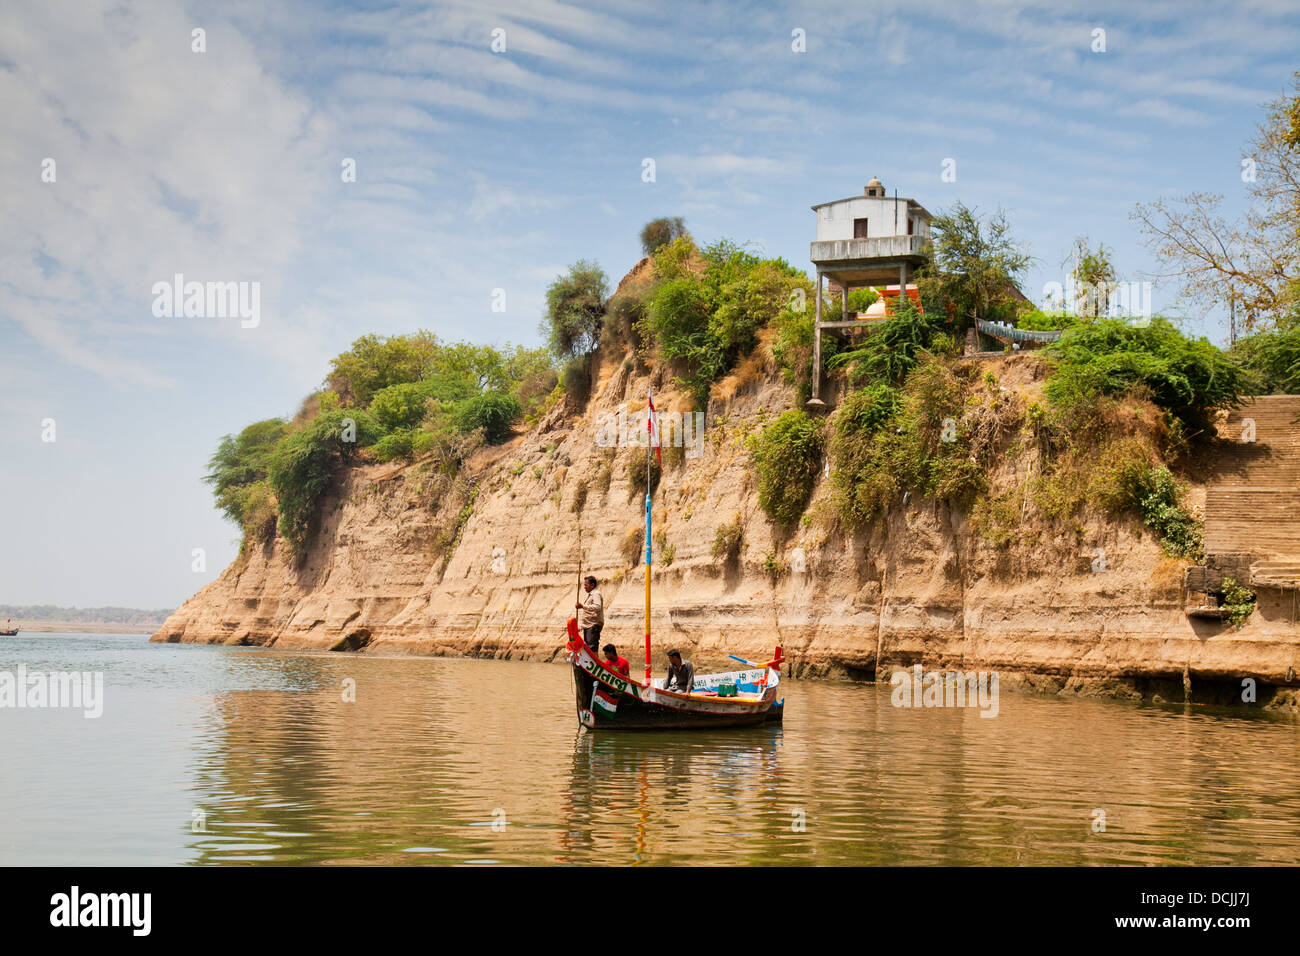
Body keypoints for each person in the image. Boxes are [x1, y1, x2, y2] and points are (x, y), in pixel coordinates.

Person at [575, 575, 604, 653]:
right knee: (588, 648)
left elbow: (597, 607)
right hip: (588, 626)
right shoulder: (590, 595)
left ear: (592, 585)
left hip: (593, 625)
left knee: (592, 649)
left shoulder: (596, 594)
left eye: (586, 585)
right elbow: (587, 614)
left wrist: (582, 606)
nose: (584, 587)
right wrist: (580, 627)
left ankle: (595, 664)